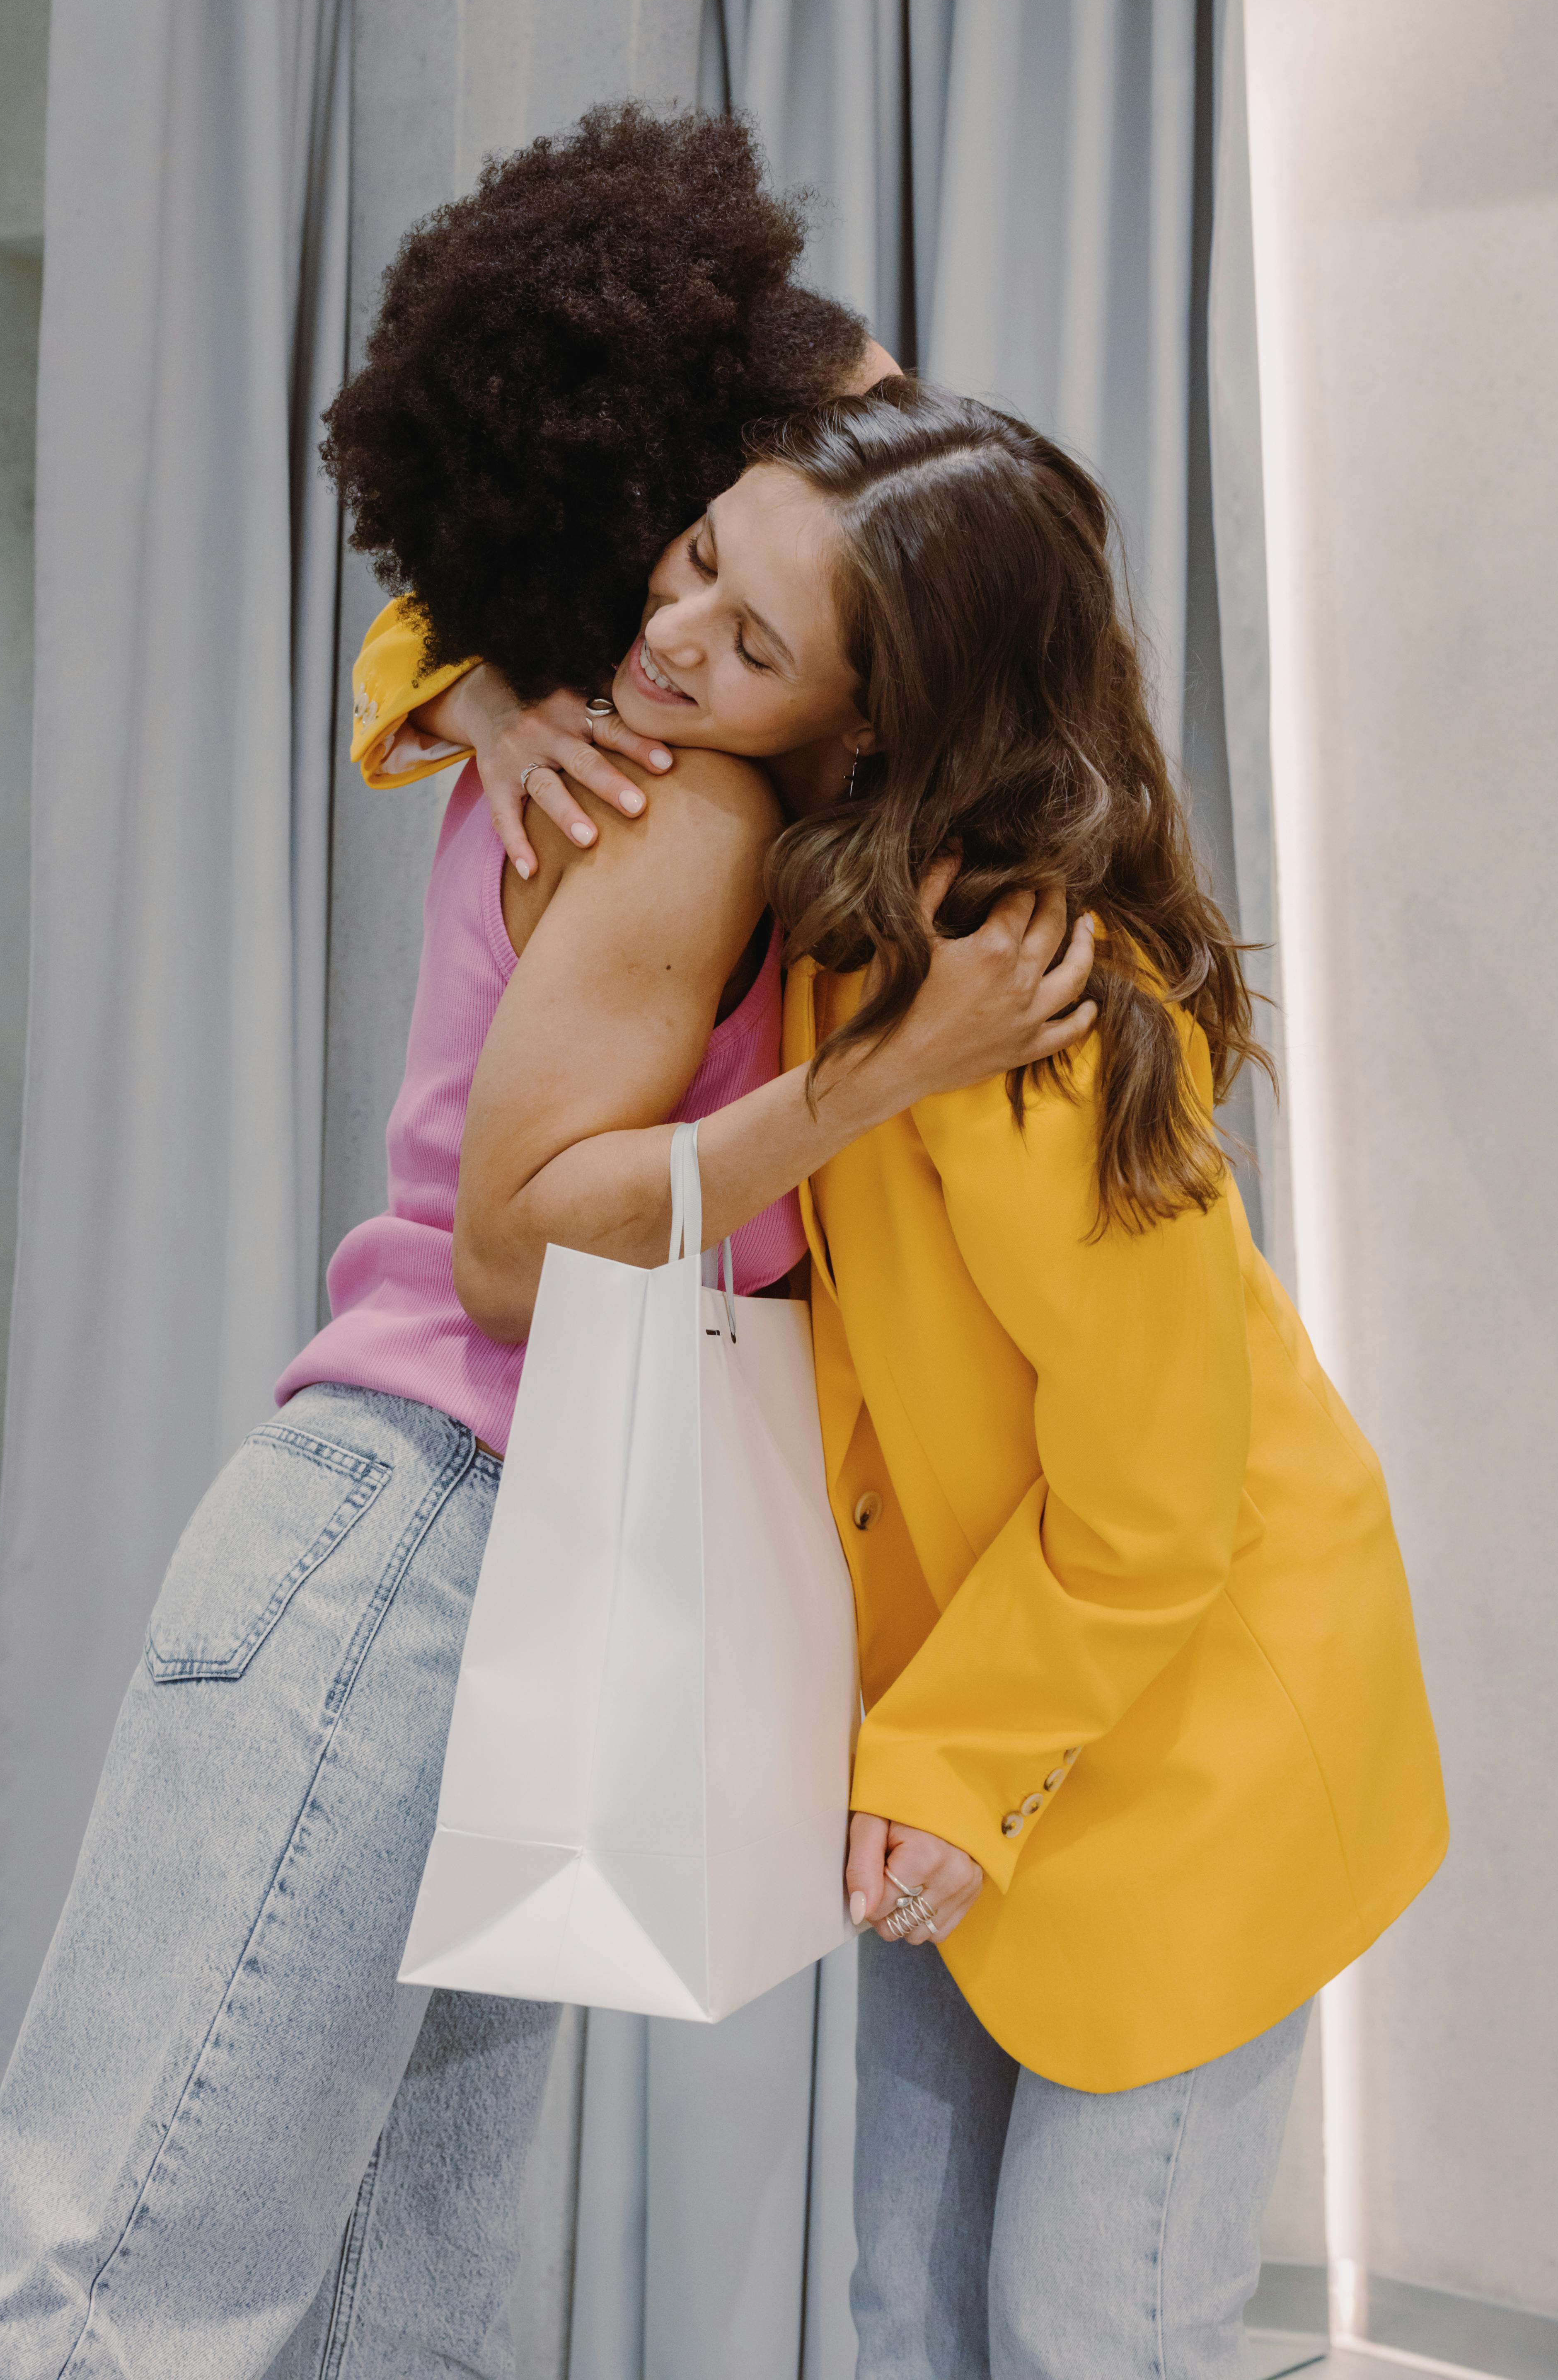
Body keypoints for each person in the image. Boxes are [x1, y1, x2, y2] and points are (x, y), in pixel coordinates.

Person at [0, 132, 1089, 2380]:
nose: (880, 453)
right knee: (108, 2292)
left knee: (398, 2312)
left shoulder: (657, 742)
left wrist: (448, 677)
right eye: (808, 450)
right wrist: (876, 1075)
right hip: (418, 1523)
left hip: (513, 1542)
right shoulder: (680, 796)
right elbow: (509, 1252)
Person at [356, 383, 1449, 2379]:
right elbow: (428, 610)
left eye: (750, 638)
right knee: (902, 2316)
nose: (676, 630)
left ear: (869, 719)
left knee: (1072, 2337)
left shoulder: (1015, 999)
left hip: (1173, 1737)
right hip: (956, 1707)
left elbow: (1154, 1498)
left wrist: (952, 1772)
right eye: (690, 556)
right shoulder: (823, 880)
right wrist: (488, 701)